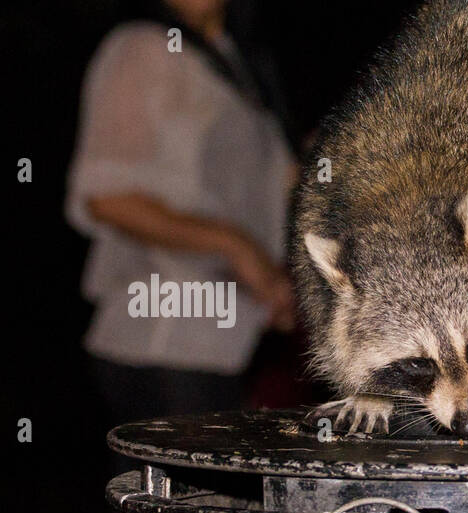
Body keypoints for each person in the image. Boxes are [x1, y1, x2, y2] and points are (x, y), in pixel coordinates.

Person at [66, 0, 296, 427]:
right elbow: (107, 197)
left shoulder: (231, 59)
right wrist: (235, 246)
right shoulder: (141, 47)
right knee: (184, 493)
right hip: (162, 337)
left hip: (228, 343)